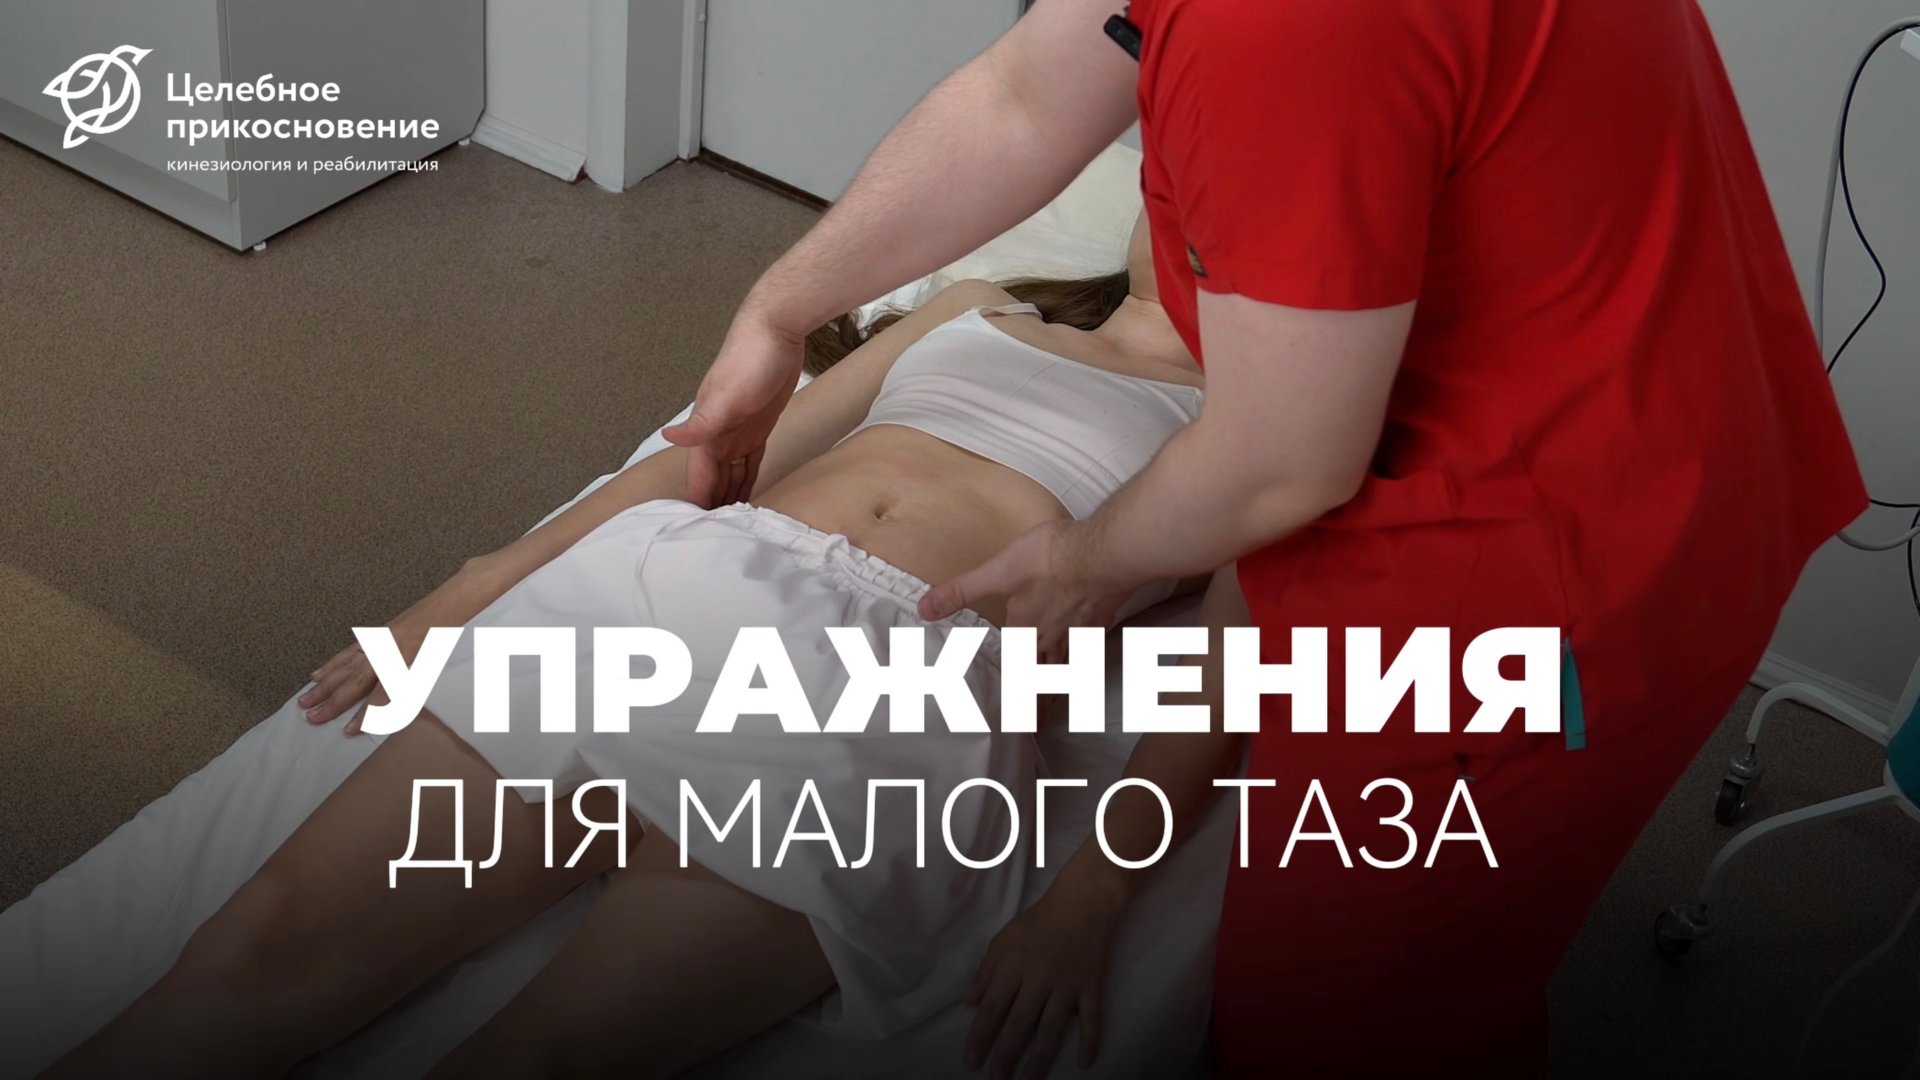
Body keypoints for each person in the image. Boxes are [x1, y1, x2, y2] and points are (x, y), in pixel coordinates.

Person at [667, 0, 1869, 1073]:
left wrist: (1084, 569)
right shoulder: (1007, 293)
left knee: (1332, 1021)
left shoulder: (1288, 27)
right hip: (1642, 418)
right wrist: (783, 308)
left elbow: (1278, 467)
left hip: (1568, 565)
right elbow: (1022, 97)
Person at [47, 215, 1220, 1078]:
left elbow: (1215, 679)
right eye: (1190, 176)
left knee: (533, 1064)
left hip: (895, 696)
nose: (1209, 216)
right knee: (258, 948)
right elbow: (723, 461)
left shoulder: (1258, 448)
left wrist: (1089, 898)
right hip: (680, 585)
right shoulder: (972, 308)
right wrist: (474, 585)